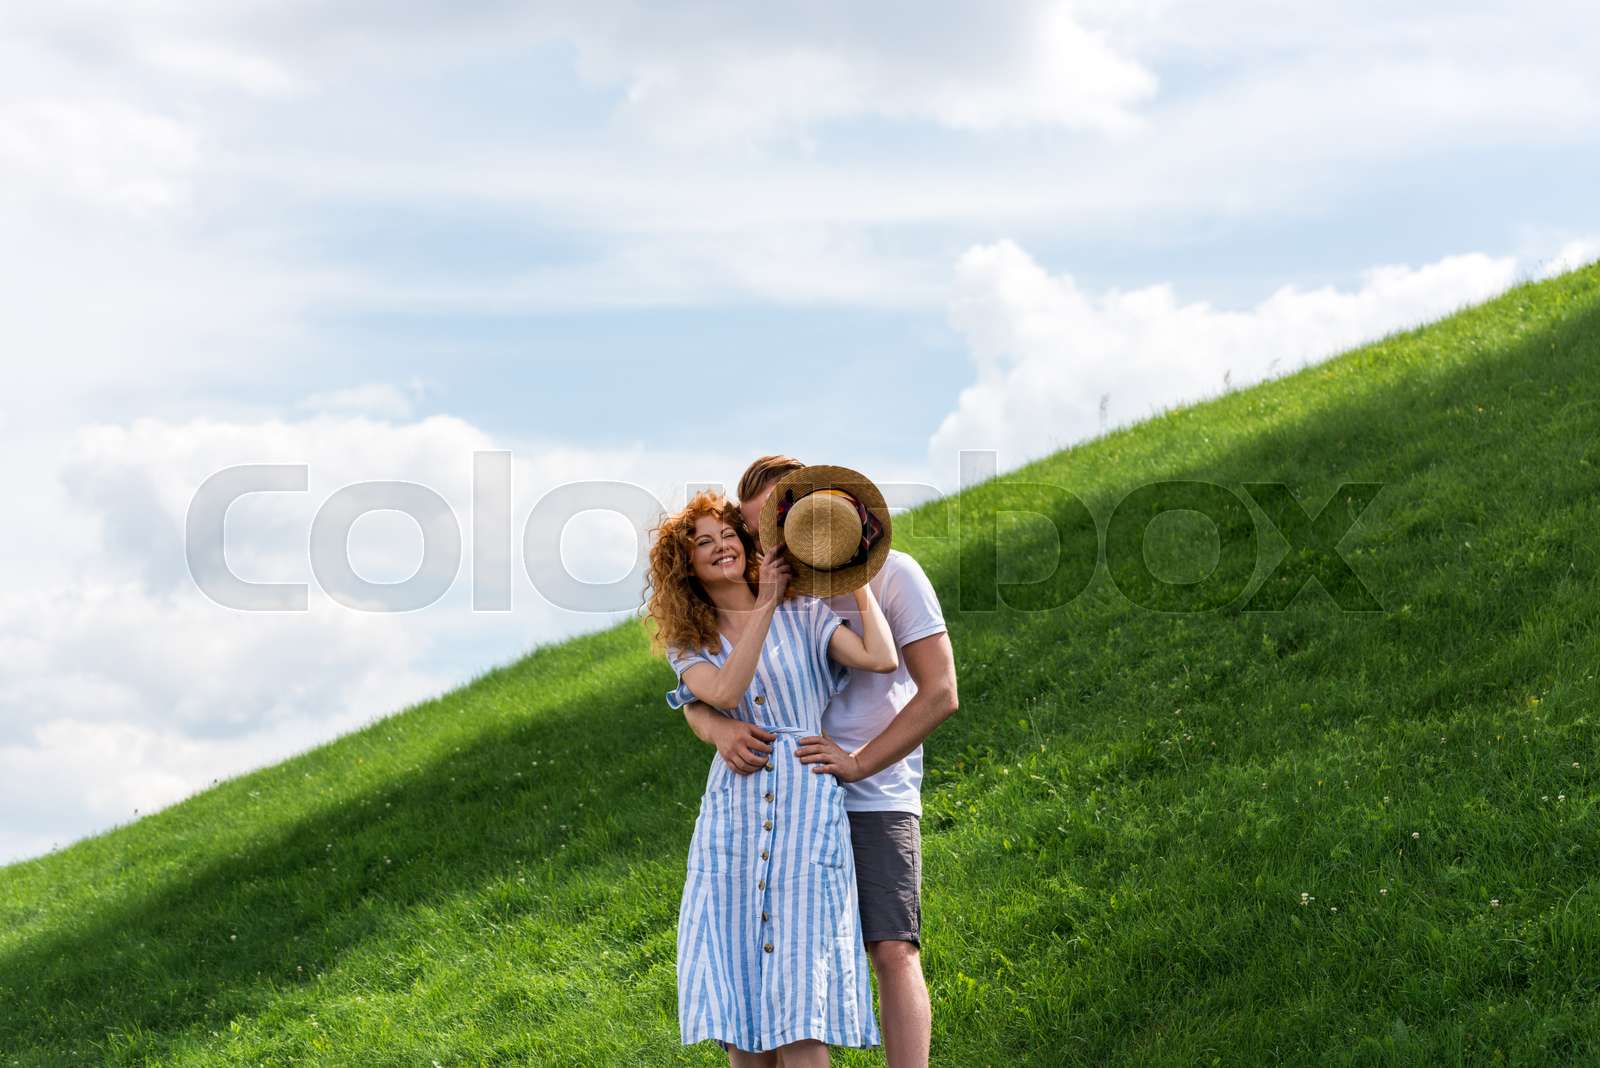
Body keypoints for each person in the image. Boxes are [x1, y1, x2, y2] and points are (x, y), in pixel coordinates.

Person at [681, 457, 957, 1068]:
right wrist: (714, 725)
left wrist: (859, 764)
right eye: (753, 528)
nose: (766, 537)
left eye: (773, 517)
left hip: (875, 787)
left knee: (892, 948)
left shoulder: (897, 577)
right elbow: (713, 684)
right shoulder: (781, 594)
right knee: (779, 960)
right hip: (791, 801)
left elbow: (939, 693)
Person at [644, 485, 899, 1066]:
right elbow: (726, 692)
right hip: (732, 820)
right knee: (739, 1016)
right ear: (688, 565)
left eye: (728, 535)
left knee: (800, 1004)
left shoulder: (804, 614)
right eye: (703, 543)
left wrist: (855, 579)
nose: (720, 547)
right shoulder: (692, 643)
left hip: (806, 810)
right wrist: (763, 604)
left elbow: (880, 657)